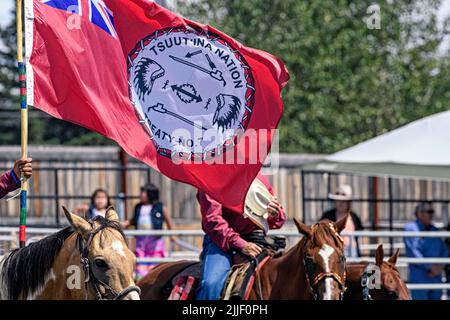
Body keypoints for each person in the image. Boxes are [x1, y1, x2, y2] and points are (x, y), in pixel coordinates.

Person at [195, 173, 286, 300]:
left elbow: (277, 220)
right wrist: (241, 244)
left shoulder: (259, 179)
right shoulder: (211, 178)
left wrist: (274, 213)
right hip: (220, 243)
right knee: (211, 284)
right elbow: (212, 221)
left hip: (256, 240)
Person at [122, 183, 174, 280]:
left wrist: (171, 234)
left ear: (151, 194)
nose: (141, 195)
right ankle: (141, 278)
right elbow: (133, 220)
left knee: (155, 258)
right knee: (141, 257)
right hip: (141, 240)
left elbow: (168, 220)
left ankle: (155, 276)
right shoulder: (138, 207)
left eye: (144, 192)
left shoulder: (159, 206)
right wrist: (123, 224)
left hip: (155, 240)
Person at [404, 202, 448, 300]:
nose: (431, 215)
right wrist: (430, 267)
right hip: (420, 277)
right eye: (429, 211)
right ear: (419, 213)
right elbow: (413, 252)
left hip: (436, 277)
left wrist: (440, 267)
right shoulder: (411, 229)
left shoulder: (435, 230)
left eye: (432, 212)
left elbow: (444, 250)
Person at [320, 184, 363, 257]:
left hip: (352, 251)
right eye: (338, 200)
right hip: (333, 250)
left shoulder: (354, 217)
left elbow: (360, 234)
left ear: (348, 203)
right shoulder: (328, 216)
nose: (340, 203)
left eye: (343, 201)